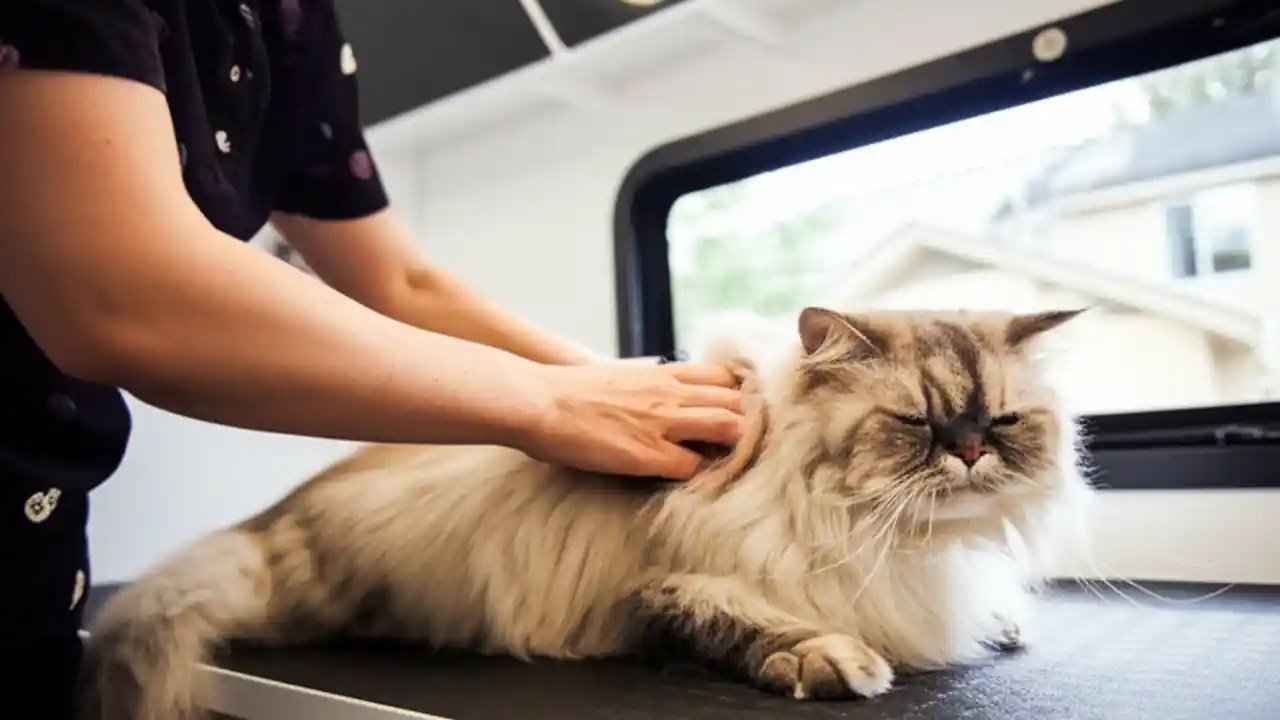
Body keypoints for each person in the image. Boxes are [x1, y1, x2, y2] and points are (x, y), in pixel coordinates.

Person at [0, 2, 745, 718]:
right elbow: (116, 291)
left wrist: (623, 388)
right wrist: (551, 404)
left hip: (35, 545)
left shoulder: (295, 22)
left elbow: (400, 283)